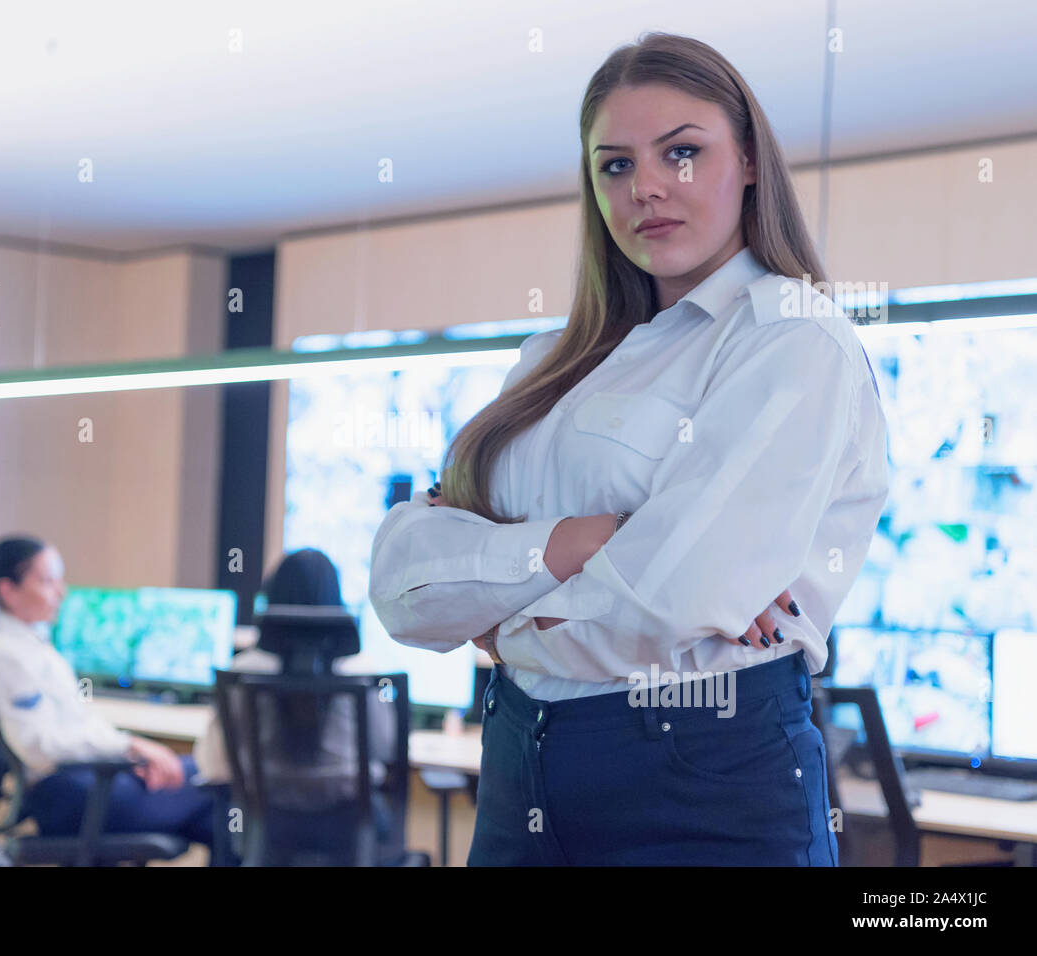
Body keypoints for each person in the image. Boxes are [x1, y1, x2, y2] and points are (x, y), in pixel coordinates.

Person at [369, 32, 889, 866]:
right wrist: (587, 542)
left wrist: (499, 620)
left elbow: (668, 595)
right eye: (614, 165)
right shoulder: (548, 360)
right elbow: (403, 579)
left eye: (682, 152)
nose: (646, 186)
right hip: (518, 762)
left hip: (701, 774)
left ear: (750, 161)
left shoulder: (791, 337)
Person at [0, 535, 213, 847]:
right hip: (67, 794)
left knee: (214, 814)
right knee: (216, 781)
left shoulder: (34, 647)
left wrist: (131, 752)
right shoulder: (5, 654)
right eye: (47, 581)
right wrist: (128, 747)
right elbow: (36, 743)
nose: (62, 591)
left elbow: (79, 723)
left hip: (87, 781)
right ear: (8, 590)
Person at [194, 548, 399, 858]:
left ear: (272, 597)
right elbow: (386, 748)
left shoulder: (243, 671)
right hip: (350, 830)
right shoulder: (363, 672)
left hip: (263, 829)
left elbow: (214, 764)